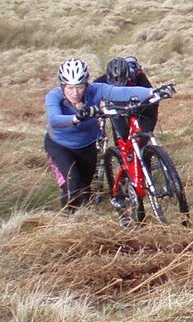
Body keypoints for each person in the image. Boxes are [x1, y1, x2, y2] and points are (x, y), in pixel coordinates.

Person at [43, 57, 167, 212]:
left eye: (80, 87)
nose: (75, 93)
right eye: (69, 88)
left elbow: (121, 92)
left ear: (86, 83)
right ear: (62, 85)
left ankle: (81, 221)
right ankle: (67, 222)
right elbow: (54, 119)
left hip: (87, 146)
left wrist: (153, 92)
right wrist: (76, 117)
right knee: (72, 185)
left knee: (85, 189)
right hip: (59, 146)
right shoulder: (53, 96)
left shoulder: (95, 89)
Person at [93, 54, 155, 147]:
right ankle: (121, 152)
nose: (119, 86)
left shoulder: (139, 76)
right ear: (109, 77)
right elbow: (91, 92)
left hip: (137, 106)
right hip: (116, 106)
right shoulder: (103, 80)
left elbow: (150, 94)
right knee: (121, 136)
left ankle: (142, 152)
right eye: (114, 83)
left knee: (142, 140)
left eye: (123, 82)